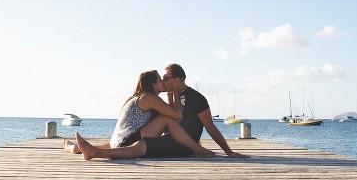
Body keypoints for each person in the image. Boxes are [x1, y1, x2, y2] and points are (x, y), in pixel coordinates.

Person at [74, 63, 249, 160]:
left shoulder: (196, 98)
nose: (164, 81)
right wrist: (172, 95)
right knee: (144, 141)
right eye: (161, 79)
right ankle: (83, 149)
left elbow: (210, 127)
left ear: (177, 79)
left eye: (166, 78)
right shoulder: (158, 99)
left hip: (183, 144)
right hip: (171, 139)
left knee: (142, 145)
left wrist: (228, 152)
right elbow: (168, 121)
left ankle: (88, 150)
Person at [65, 69, 214, 157]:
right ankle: (197, 149)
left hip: (118, 140)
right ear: (153, 84)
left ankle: (72, 147)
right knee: (166, 121)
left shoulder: (139, 97)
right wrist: (174, 92)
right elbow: (177, 116)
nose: (163, 81)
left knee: (164, 119)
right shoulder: (149, 98)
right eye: (160, 80)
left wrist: (169, 95)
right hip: (128, 140)